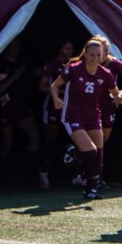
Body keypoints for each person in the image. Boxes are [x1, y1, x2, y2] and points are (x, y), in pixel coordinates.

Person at [51, 38, 122, 200]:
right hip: (72, 116)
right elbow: (55, 85)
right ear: (85, 53)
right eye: (92, 55)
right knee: (90, 152)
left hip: (93, 116)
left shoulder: (106, 74)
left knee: (98, 154)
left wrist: (120, 98)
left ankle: (90, 190)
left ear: (103, 55)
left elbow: (116, 93)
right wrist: (56, 99)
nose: (95, 58)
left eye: (99, 55)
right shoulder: (74, 70)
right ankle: (73, 151)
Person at [0, 40, 41, 188]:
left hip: (23, 108)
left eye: (17, 45)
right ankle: (0, 176)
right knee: (6, 144)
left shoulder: (25, 63)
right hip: (5, 108)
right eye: (12, 46)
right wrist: (13, 77)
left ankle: (29, 172)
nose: (15, 49)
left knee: (34, 137)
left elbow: (43, 75)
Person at [36, 39, 75, 189]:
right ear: (59, 50)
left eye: (71, 49)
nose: (69, 52)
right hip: (52, 107)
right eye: (66, 49)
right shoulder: (52, 64)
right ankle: (44, 170)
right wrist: (60, 92)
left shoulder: (74, 65)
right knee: (50, 141)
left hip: (70, 109)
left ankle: (76, 174)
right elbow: (42, 86)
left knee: (74, 138)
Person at [93, 35, 122, 157]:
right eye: (102, 50)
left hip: (108, 106)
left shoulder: (114, 64)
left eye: (106, 50)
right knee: (89, 140)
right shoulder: (85, 64)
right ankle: (80, 171)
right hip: (89, 106)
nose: (104, 53)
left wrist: (120, 94)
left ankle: (95, 172)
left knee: (103, 140)